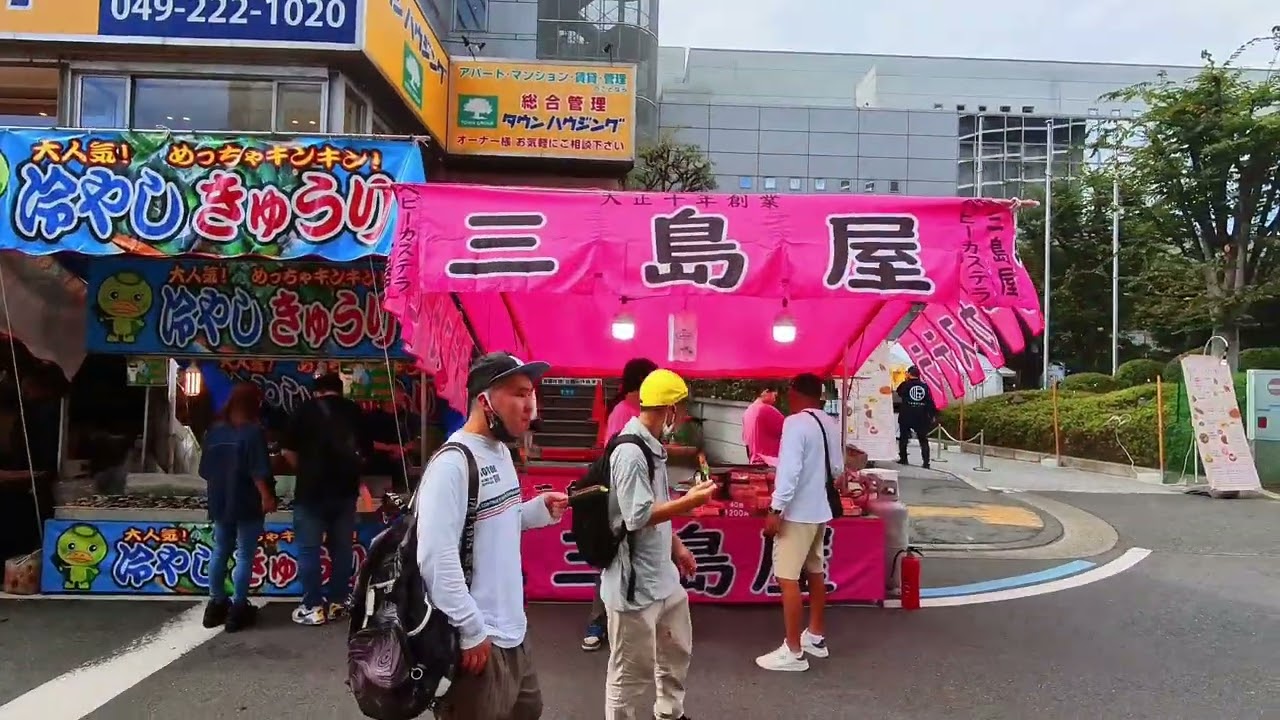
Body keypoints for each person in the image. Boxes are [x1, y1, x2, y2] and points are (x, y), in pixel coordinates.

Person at [417, 352, 568, 720]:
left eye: (531, 393)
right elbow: (435, 558)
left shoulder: (500, 452)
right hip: (478, 638)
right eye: (518, 393)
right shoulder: (452, 464)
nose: (530, 405)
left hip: (514, 631)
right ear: (485, 401)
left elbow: (489, 526)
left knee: (527, 710)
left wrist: (534, 511)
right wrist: (471, 629)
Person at [603, 368, 717, 720]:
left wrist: (677, 547)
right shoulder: (630, 451)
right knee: (629, 674)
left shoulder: (652, 447)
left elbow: (655, 507)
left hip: (662, 576)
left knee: (675, 650)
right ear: (669, 409)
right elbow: (636, 517)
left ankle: (670, 712)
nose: (681, 418)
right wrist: (691, 502)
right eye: (680, 409)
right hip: (633, 584)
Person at [755, 373, 843, 673]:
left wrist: (775, 509)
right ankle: (815, 636)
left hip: (797, 513)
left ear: (795, 393)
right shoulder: (829, 423)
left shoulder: (794, 424)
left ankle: (793, 651)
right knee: (815, 570)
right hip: (820, 510)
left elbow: (789, 472)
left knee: (787, 577)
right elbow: (838, 468)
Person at [282, 372, 371, 626]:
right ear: (339, 391)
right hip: (345, 492)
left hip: (310, 492)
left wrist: (306, 470)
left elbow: (287, 450)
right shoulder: (354, 411)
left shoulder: (304, 410)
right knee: (341, 549)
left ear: (317, 392)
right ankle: (337, 603)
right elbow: (366, 452)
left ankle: (313, 607)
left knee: (309, 549)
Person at [583, 357, 659, 652]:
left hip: (636, 499)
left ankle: (631, 625)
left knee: (634, 561)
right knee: (611, 563)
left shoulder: (639, 412)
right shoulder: (622, 414)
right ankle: (597, 622)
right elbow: (618, 462)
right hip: (616, 503)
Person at [199, 383, 277, 632]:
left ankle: (215, 603)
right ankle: (238, 608)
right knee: (244, 554)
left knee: (220, 550)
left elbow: (203, 471)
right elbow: (258, 471)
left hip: (220, 500)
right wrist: (267, 496)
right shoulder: (252, 432)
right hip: (246, 500)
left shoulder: (214, 431)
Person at [896, 365, 937, 468]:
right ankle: (926, 462)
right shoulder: (925, 386)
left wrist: (906, 380)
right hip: (921, 416)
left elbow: (899, 392)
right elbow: (929, 402)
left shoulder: (905, 385)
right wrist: (932, 415)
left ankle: (904, 458)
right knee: (923, 439)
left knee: (904, 438)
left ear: (909, 374)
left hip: (907, 414)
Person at [741, 386, 784, 465]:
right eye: (774, 395)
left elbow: (746, 443)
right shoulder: (768, 410)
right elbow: (789, 431)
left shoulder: (747, 412)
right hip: (769, 463)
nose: (775, 399)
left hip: (753, 462)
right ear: (765, 392)